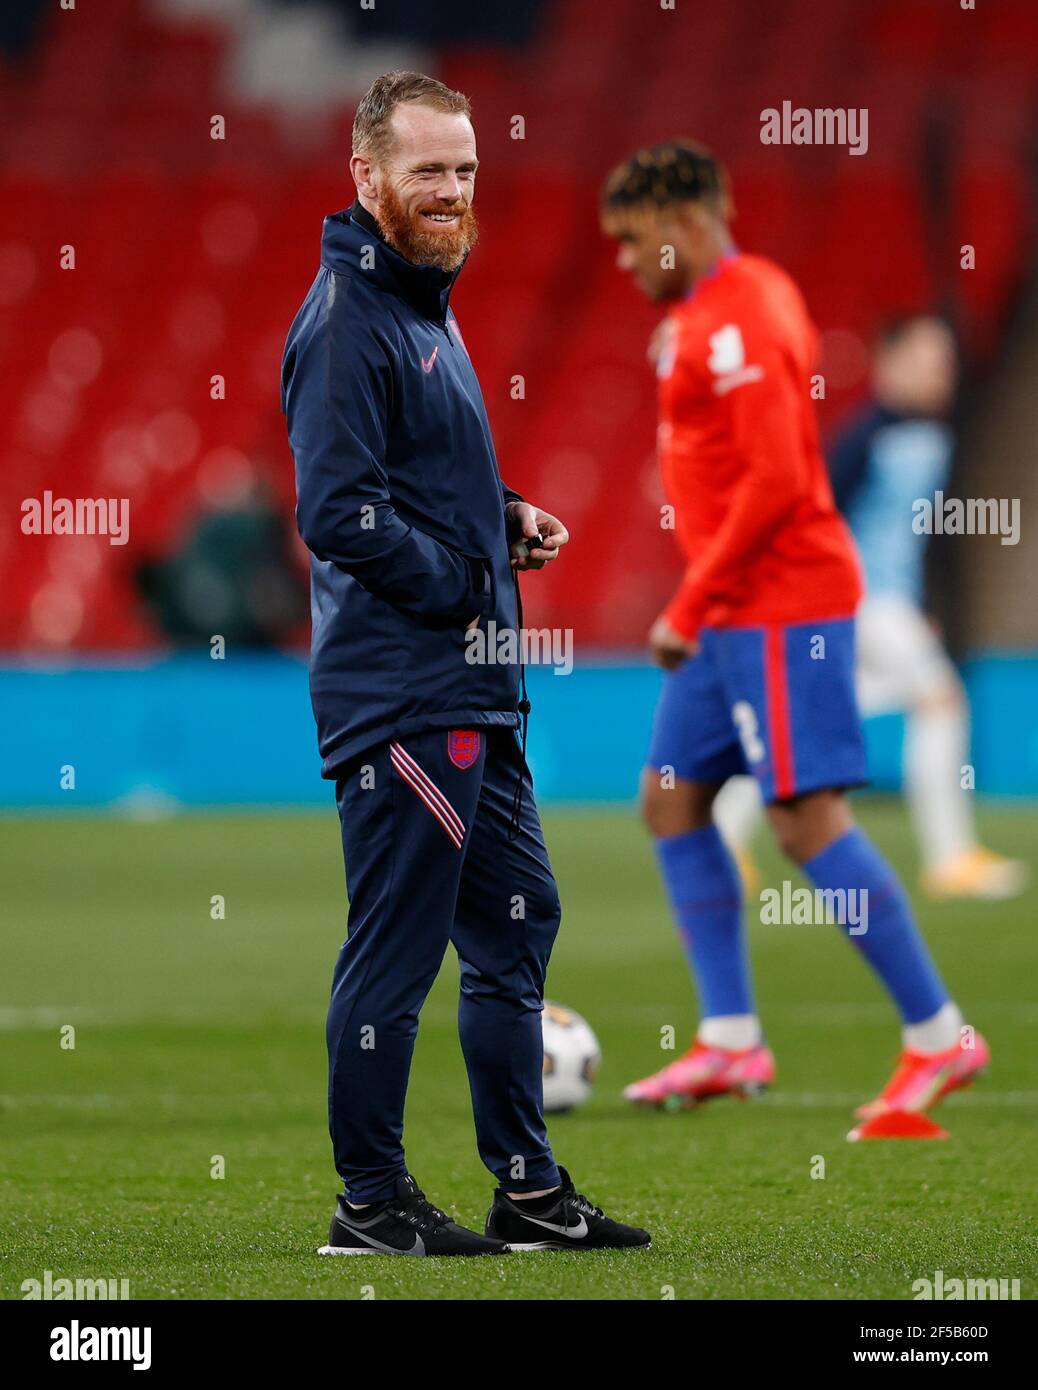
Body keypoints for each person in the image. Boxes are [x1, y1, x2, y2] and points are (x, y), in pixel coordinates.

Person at [282, 71, 649, 1255]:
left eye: (466, 170)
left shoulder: (420, 309)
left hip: (469, 682)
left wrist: (500, 519)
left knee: (519, 913)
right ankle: (371, 1204)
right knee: (395, 947)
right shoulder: (347, 318)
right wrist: (465, 580)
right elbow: (340, 513)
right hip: (407, 689)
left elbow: (413, 490)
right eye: (429, 170)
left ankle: (526, 1188)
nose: (450, 191)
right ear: (368, 177)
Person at [600, 140, 989, 1118]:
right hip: (733, 604)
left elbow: (778, 481)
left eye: (634, 240)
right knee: (673, 800)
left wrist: (685, 606)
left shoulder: (741, 318)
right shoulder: (719, 313)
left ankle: (938, 1036)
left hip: (783, 605)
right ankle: (732, 1042)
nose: (624, 261)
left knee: (804, 820)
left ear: (685, 225)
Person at [713, 315, 1027, 901]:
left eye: (947, 362)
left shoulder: (933, 438)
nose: (942, 373)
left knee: (809, 719)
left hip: (886, 603)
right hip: (859, 601)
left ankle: (724, 834)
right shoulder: (865, 439)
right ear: (890, 363)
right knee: (941, 701)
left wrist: (921, 604)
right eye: (928, 359)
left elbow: (916, 537)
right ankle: (950, 857)